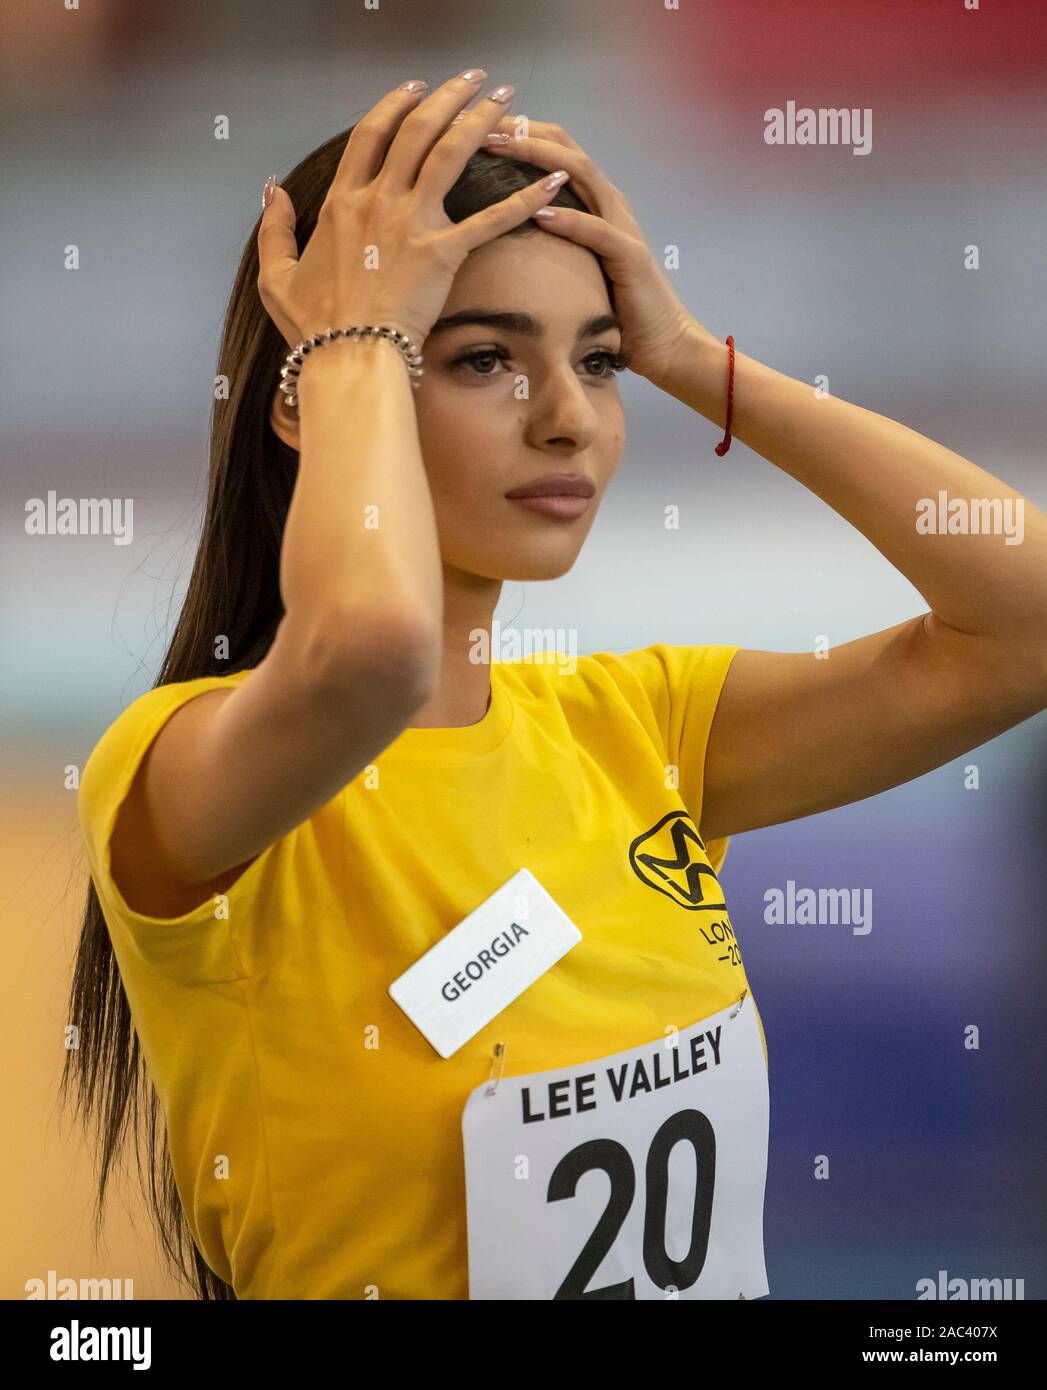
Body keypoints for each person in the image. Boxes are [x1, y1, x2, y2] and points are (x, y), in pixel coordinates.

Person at [65, 66, 1047, 1301]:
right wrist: (351, 344)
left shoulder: (636, 727)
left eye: (601, 360)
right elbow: (370, 652)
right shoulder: (182, 762)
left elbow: (1025, 625)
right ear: (315, 396)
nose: (570, 418)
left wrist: (692, 356)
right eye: (486, 359)